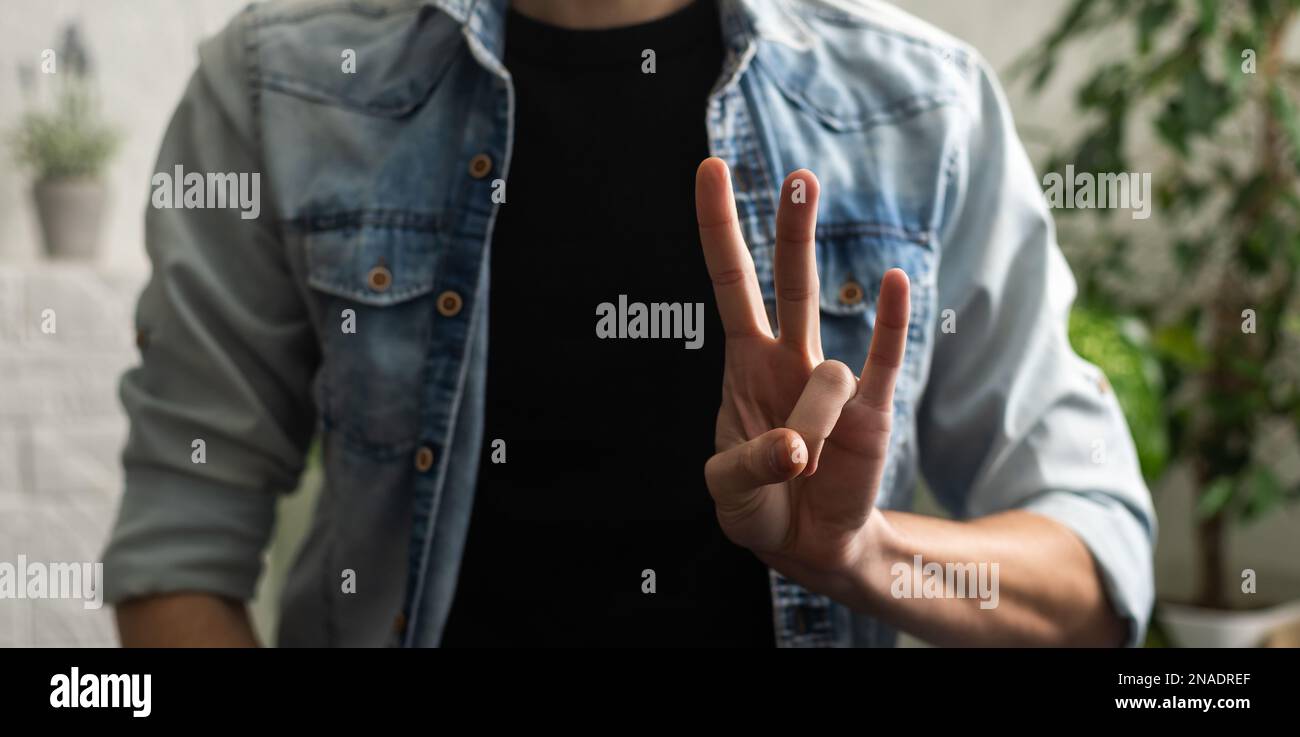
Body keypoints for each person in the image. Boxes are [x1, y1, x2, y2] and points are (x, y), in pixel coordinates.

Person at [104, 0, 1155, 647]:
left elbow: (1095, 571)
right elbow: (177, 547)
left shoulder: (921, 107)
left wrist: (862, 555)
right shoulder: (279, 91)